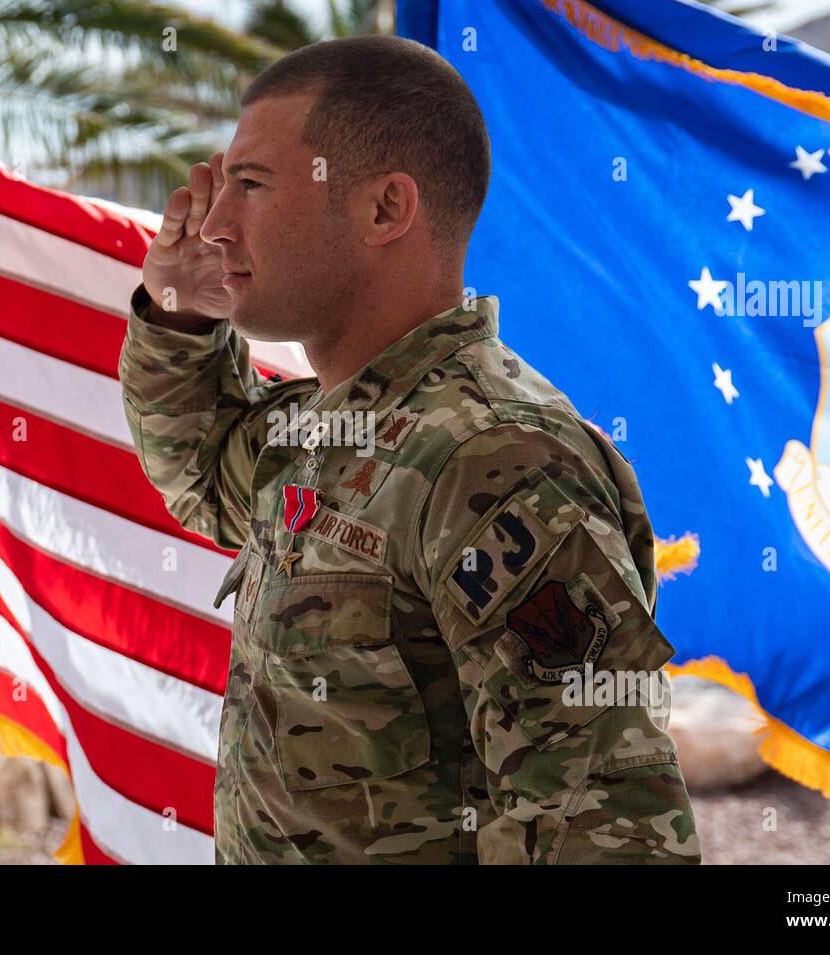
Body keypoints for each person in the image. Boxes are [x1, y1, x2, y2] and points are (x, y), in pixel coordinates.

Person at [119, 34, 701, 864]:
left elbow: (602, 821)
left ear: (387, 209)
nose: (213, 222)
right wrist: (179, 312)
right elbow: (203, 467)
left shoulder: (496, 459)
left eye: (250, 186)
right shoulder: (335, 428)